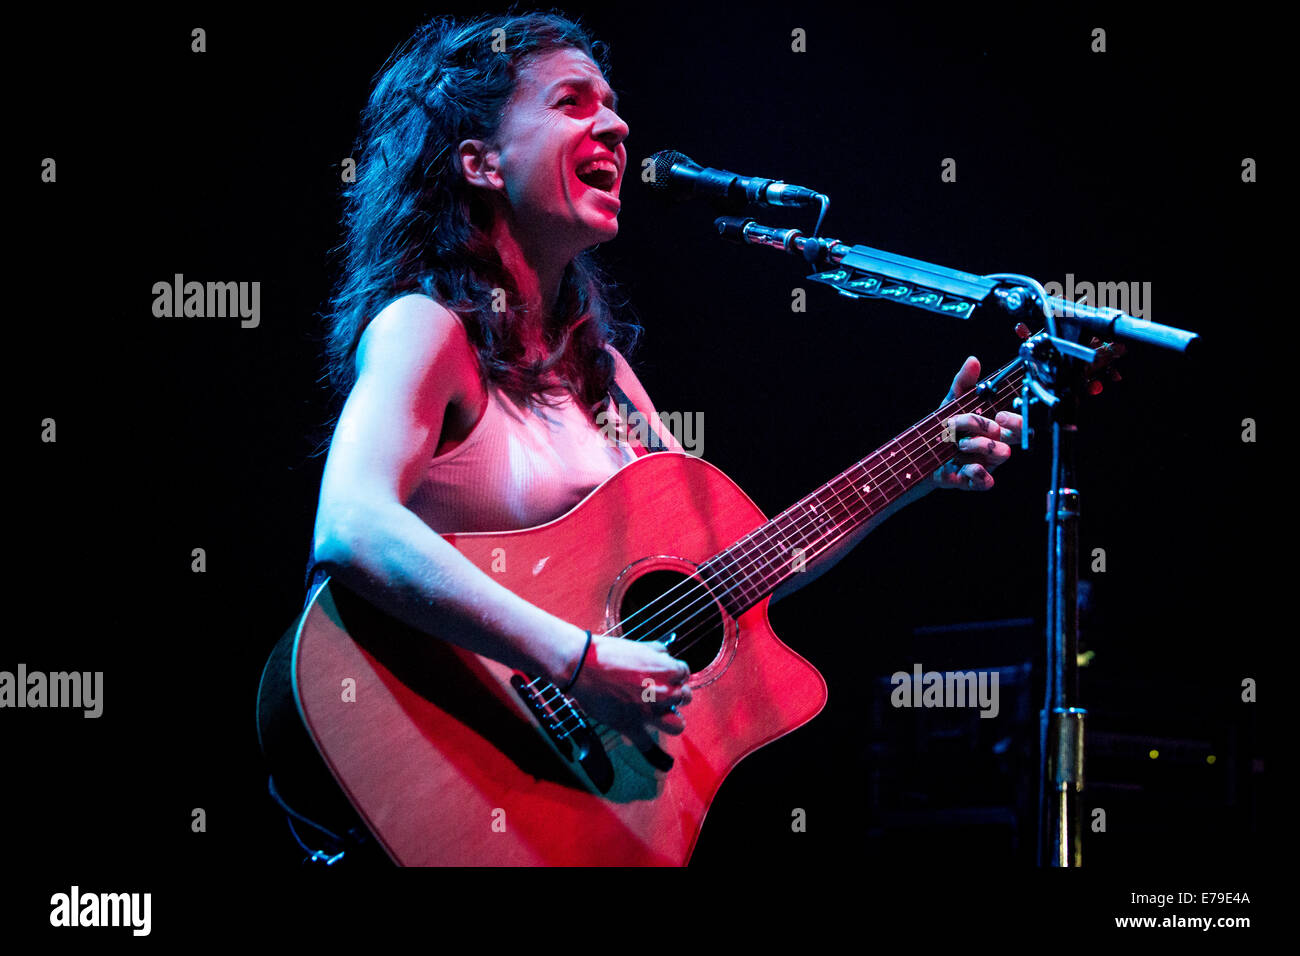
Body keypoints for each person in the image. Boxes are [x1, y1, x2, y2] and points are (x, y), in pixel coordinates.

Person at [299, 10, 1020, 843]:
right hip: (442, 754)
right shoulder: (428, 329)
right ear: (481, 162)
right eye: (571, 103)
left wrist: (921, 464)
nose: (616, 123)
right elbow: (350, 524)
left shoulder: (597, 371)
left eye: (611, 103)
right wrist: (577, 660)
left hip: (568, 798)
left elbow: (733, 572)